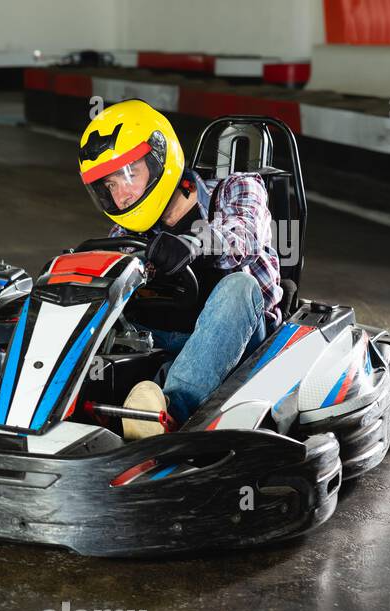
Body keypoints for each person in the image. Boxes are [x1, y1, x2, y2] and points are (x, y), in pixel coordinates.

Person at [78, 99, 281, 438]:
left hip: (240, 339)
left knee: (237, 287)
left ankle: (165, 417)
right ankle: (37, 400)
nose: (121, 195)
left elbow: (245, 233)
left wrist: (196, 242)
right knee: (92, 295)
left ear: (159, 159)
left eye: (129, 175)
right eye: (110, 185)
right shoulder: (127, 234)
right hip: (156, 338)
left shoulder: (235, 188)